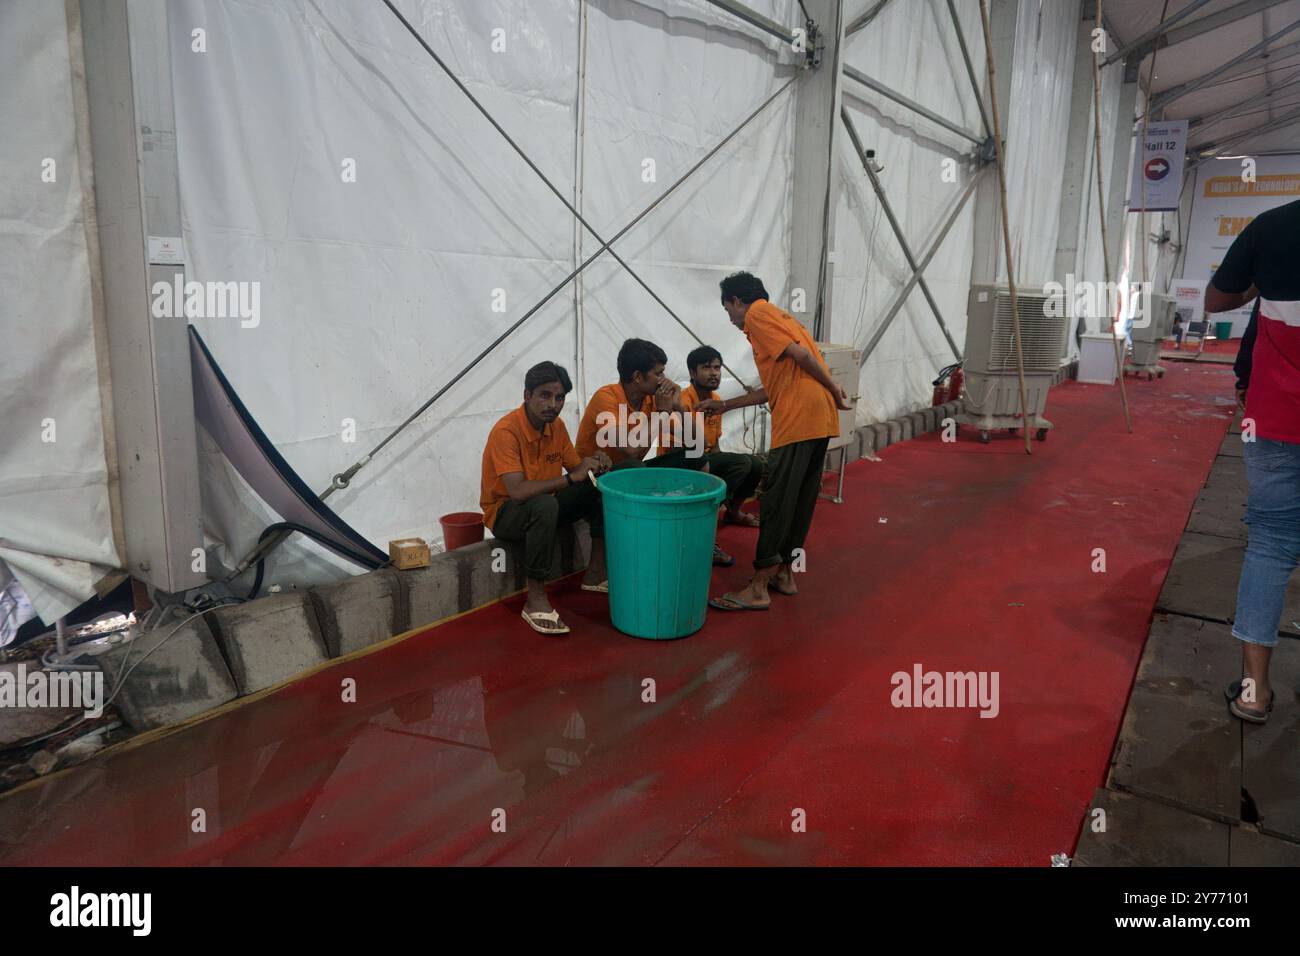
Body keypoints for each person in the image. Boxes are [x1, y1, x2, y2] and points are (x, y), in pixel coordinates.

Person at [1204, 196, 1300, 724]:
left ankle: (1254, 692)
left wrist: (1261, 283)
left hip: (1276, 419)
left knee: (1270, 545)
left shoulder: (1273, 226)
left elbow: (1217, 301)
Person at [709, 272, 852, 611]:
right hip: (818, 418)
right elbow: (772, 389)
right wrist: (725, 405)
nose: (729, 319)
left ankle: (758, 586)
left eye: (727, 309)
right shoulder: (782, 318)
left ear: (737, 300)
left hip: (799, 419)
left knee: (775, 500)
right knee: (800, 499)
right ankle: (785, 574)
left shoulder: (758, 314)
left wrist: (834, 387)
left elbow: (802, 356)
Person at [481, 361, 612, 635]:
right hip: (506, 513)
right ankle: (535, 597)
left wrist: (596, 462)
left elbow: (577, 470)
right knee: (544, 504)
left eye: (560, 397)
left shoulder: (557, 427)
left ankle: (596, 572)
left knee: (598, 486)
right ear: (527, 395)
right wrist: (568, 479)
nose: (553, 404)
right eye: (545, 395)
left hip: (546, 505)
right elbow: (516, 493)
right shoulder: (506, 432)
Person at [656, 345, 765, 566]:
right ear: (692, 373)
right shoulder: (683, 401)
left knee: (755, 464)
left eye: (717, 367)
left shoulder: (715, 399)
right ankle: (705, 534)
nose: (714, 372)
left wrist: (722, 467)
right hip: (682, 462)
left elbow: (713, 447)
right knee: (741, 463)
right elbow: (686, 449)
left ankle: (732, 511)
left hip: (704, 459)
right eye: (706, 368)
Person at [575, 337, 695, 468]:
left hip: (628, 471)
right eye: (659, 374)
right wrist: (663, 413)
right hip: (595, 476)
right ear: (637, 376)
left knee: (695, 457)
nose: (664, 379)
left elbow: (697, 442)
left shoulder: (654, 399)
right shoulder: (606, 397)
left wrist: (678, 406)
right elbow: (630, 450)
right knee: (634, 465)